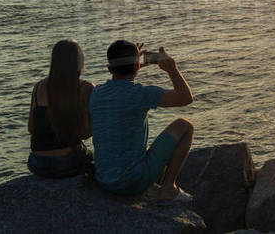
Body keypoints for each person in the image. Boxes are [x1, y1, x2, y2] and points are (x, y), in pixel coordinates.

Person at [89, 40, 194, 200]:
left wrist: (132, 65)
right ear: (137, 67)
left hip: (104, 180)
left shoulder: (96, 93)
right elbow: (185, 97)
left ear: (109, 69)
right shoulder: (141, 94)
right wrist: (172, 68)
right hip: (133, 182)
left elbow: (118, 88)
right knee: (185, 126)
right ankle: (168, 188)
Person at [27, 39, 94, 178]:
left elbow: (31, 128)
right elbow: (85, 133)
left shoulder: (38, 87)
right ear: (79, 61)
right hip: (68, 162)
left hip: (37, 163)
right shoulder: (85, 88)